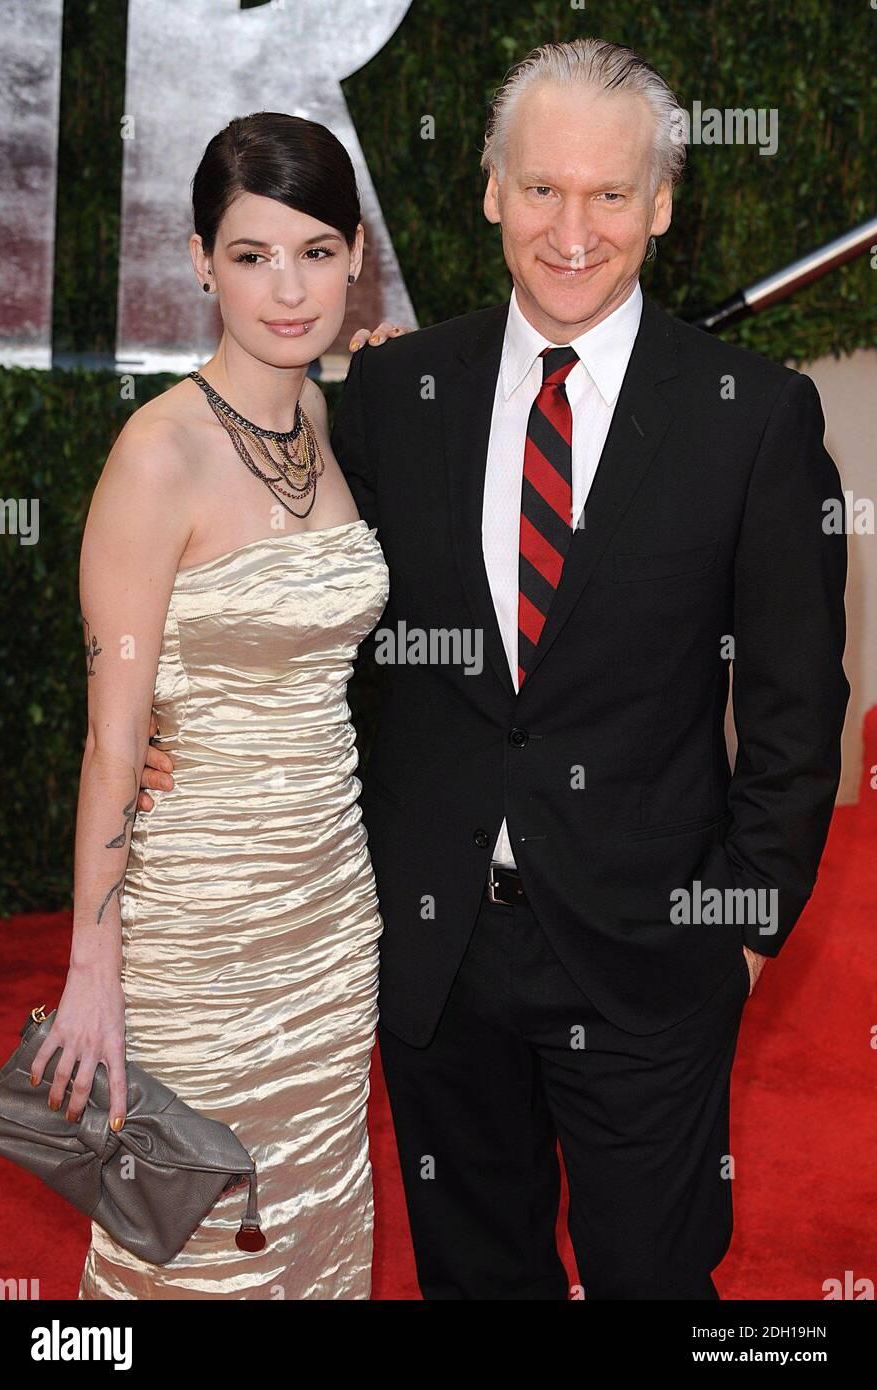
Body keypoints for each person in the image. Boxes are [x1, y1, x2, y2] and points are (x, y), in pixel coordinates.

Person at [143, 39, 850, 1300]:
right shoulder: (393, 392)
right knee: (474, 1278)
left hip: (651, 959)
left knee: (653, 1279)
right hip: (437, 958)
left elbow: (799, 709)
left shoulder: (753, 417)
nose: (569, 229)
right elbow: (310, 620)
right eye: (539, 188)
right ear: (488, 191)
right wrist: (178, 720)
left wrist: (735, 939)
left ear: (662, 205)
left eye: (607, 193)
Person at [30, 111, 389, 1299]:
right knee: (192, 1239)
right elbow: (112, 740)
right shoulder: (158, 457)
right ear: (198, 259)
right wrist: (94, 967)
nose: (287, 290)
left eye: (314, 252)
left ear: (352, 256)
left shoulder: (327, 422)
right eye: (250, 255)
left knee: (317, 1212)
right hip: (199, 932)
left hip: (331, 916)